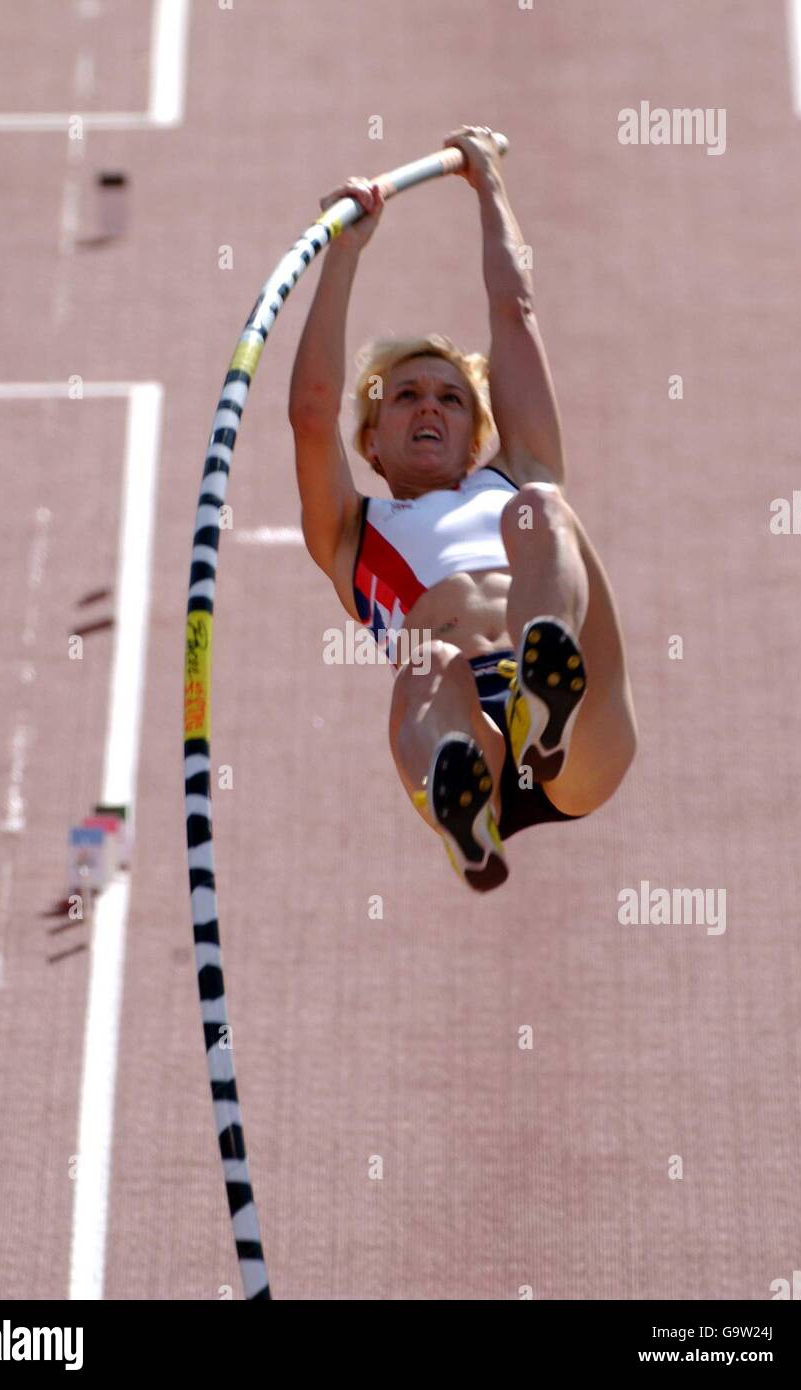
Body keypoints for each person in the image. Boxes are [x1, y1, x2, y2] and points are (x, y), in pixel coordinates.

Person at [288, 124, 637, 892]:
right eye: (404, 395)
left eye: (450, 398)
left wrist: (490, 188)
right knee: (427, 660)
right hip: (462, 726)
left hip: (580, 742)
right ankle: (466, 818)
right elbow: (311, 415)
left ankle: (543, 692)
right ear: (371, 443)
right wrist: (342, 252)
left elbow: (515, 311)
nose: (429, 408)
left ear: (475, 431)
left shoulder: (513, 476)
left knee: (543, 508)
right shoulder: (354, 534)